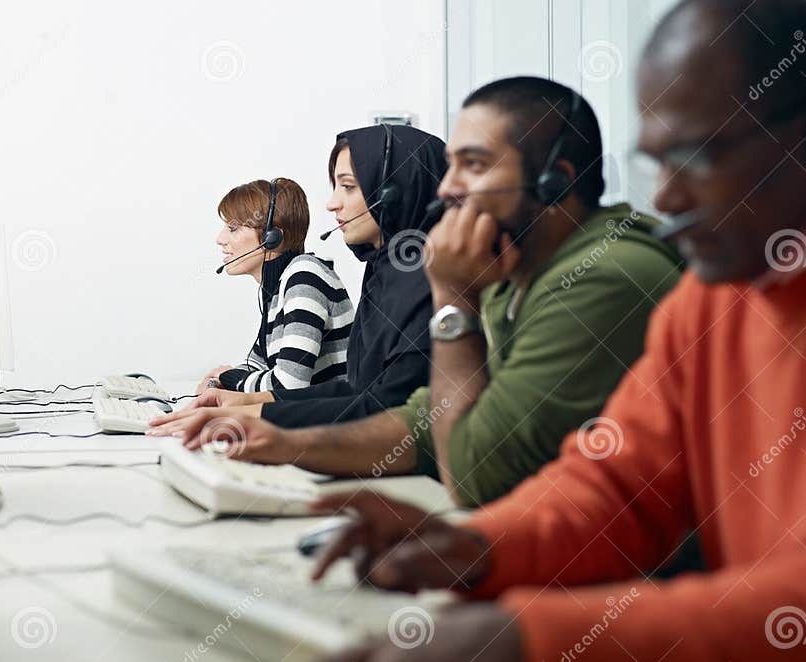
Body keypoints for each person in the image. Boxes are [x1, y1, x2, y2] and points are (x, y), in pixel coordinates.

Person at [302, 1, 806, 661]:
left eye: (696, 154)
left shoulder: (613, 275)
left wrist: (528, 634)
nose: (666, 198)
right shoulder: (712, 298)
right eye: (658, 161)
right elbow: (615, 484)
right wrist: (481, 548)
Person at [152, 78, 684, 508]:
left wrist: (453, 297)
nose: (449, 187)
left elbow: (476, 472)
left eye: (473, 165)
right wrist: (281, 438)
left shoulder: (601, 277)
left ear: (555, 181)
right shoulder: (513, 276)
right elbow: (425, 423)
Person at [183, 124, 448, 424]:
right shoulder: (382, 273)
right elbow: (358, 390)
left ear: (393, 191)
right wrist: (240, 403)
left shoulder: (426, 281)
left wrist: (245, 408)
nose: (332, 203)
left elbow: (384, 408)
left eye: (347, 187)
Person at [197, 178, 354, 394]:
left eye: (232, 228)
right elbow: (258, 365)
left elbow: (287, 385)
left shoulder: (305, 276)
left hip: (336, 423)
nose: (220, 239)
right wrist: (220, 382)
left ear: (272, 237)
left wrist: (227, 377)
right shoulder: (278, 289)